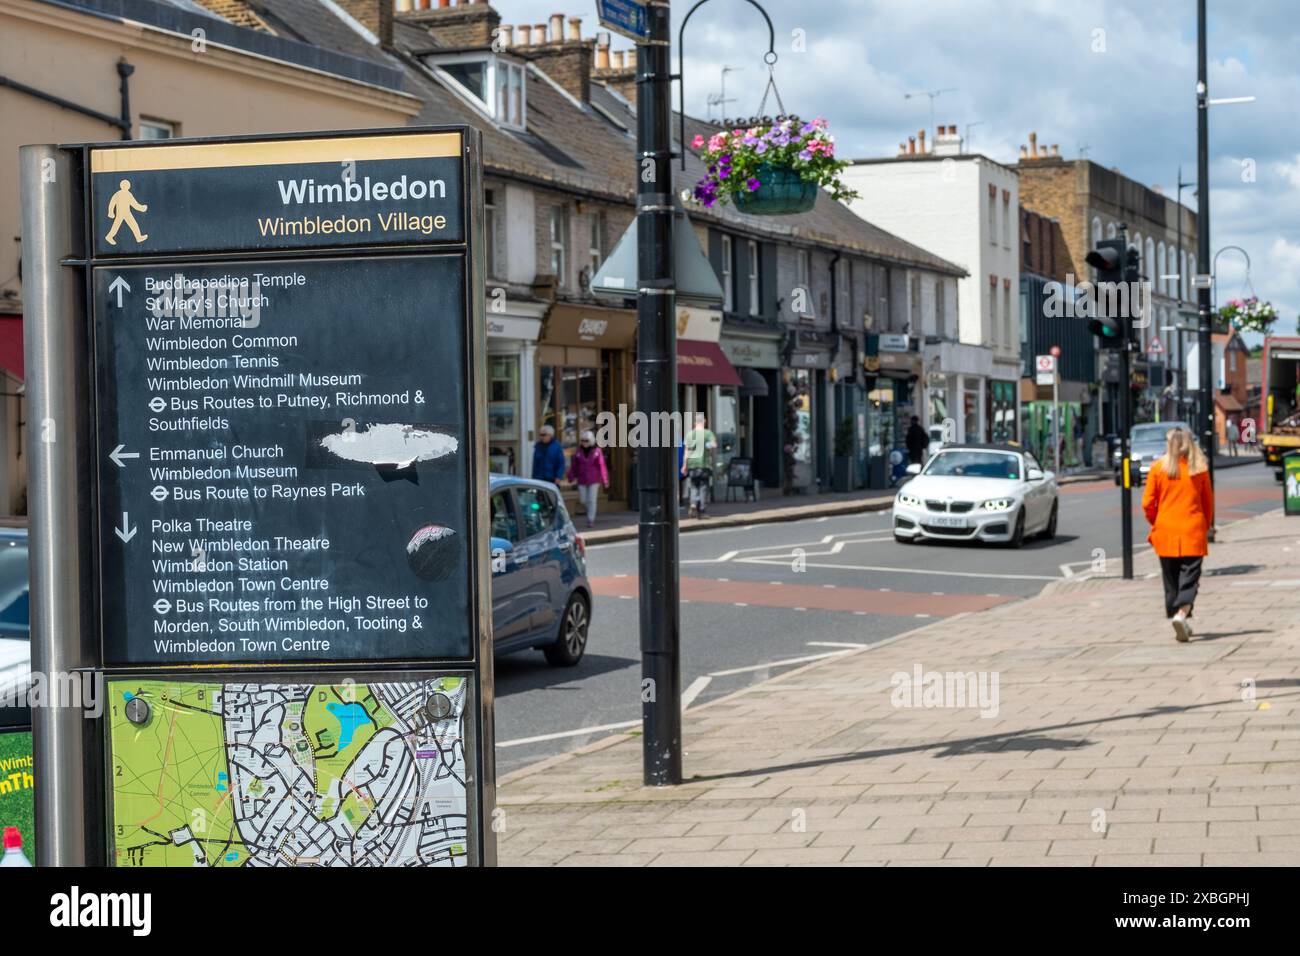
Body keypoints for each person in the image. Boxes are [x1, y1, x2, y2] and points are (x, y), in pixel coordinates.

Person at [1142, 427, 1214, 643]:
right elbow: (1207, 503)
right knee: (1190, 578)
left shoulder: (1157, 468)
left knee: (1171, 578)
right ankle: (1182, 615)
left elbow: (1147, 503)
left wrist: (1157, 521)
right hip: (1192, 531)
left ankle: (1176, 613)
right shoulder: (1199, 469)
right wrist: (1206, 525)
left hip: (1165, 531)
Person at [567, 431, 609, 528]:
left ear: (591, 441)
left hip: (594, 479)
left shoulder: (597, 451)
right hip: (582, 479)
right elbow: (574, 466)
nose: (584, 443)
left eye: (586, 441)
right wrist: (571, 477)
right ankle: (589, 512)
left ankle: (591, 519)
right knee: (583, 500)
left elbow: (601, 466)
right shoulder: (578, 451)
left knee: (592, 499)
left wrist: (605, 479)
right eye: (582, 440)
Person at [681, 413, 717, 519]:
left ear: (695, 423)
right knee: (703, 487)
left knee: (693, 486)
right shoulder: (707, 433)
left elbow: (686, 452)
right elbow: (714, 445)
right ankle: (702, 510)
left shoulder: (689, 435)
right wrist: (707, 445)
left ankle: (692, 504)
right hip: (703, 464)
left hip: (692, 465)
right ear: (704, 422)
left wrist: (684, 466)